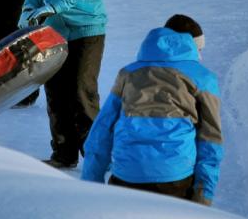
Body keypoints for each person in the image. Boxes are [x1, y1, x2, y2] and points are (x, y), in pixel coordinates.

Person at [81, 15, 222, 206]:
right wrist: (203, 196)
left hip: (126, 176)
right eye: (198, 49)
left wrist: (91, 186)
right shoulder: (204, 78)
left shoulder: (128, 73)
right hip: (174, 178)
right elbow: (210, 140)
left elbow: (102, 130)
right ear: (188, 45)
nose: (200, 56)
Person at [20, 0, 107, 169]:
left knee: (82, 92)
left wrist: (55, 7)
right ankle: (63, 152)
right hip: (55, 31)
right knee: (56, 92)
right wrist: (26, 15)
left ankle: (96, 157)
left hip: (87, 27)